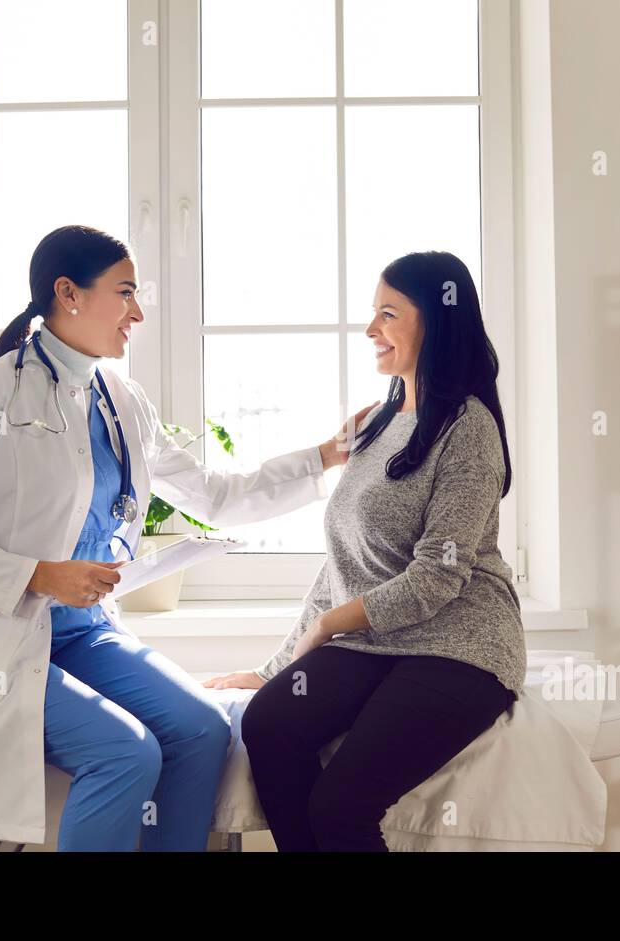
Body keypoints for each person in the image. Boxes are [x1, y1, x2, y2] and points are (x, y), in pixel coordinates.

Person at [0, 225, 375, 851]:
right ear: (68, 293)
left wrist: (326, 455)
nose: (138, 313)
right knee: (125, 751)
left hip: (83, 633)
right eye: (125, 292)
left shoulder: (123, 402)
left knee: (204, 731)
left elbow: (214, 495)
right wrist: (39, 575)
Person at [205, 251, 526, 852]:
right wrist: (276, 668)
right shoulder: (377, 420)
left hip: (459, 643)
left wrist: (329, 624)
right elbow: (343, 561)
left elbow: (437, 578)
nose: (371, 329)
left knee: (341, 806)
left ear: (436, 321)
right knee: (269, 724)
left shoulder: (468, 427)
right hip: (376, 640)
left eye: (388, 314)